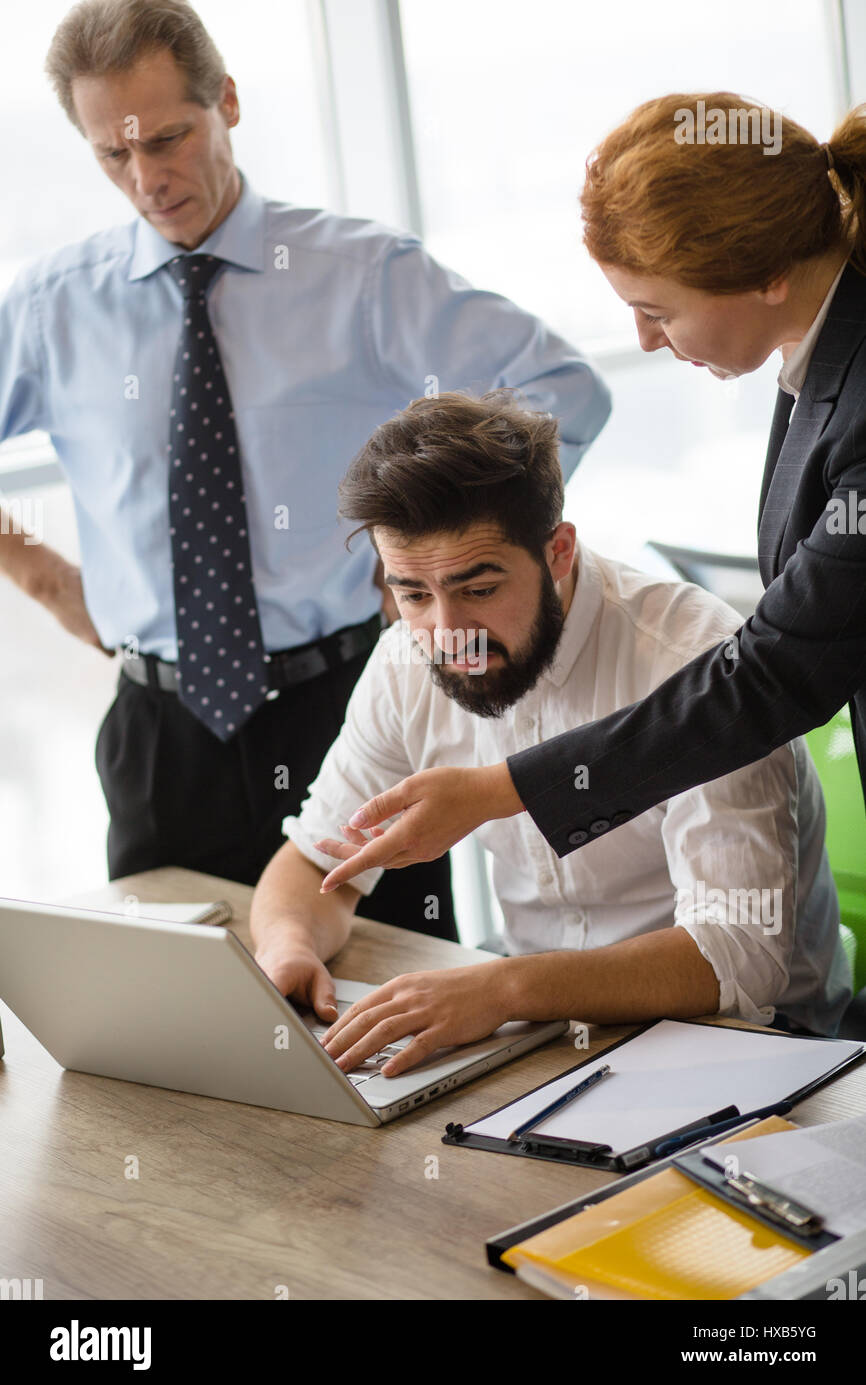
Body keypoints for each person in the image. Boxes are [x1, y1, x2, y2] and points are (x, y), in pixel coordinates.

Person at [0, 0, 610, 939]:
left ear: (228, 103)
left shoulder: (359, 275)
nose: (150, 180)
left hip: (354, 709)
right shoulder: (53, 307)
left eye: (171, 137)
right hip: (161, 736)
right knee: (180, 1030)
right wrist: (39, 574)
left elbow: (564, 389)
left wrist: (437, 554)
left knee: (398, 1009)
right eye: (114, 156)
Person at [315, 91, 866, 899]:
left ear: (769, 276)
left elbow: (774, 676)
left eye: (656, 310)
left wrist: (499, 790)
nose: (644, 339)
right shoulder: (816, 360)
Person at [250, 390, 850, 1074]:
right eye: (413, 594)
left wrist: (507, 987)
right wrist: (287, 947)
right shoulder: (404, 660)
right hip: (540, 1033)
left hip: (757, 1044)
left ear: (558, 552)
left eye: (478, 590)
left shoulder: (699, 660)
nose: (448, 637)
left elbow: (738, 956)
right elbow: (314, 863)